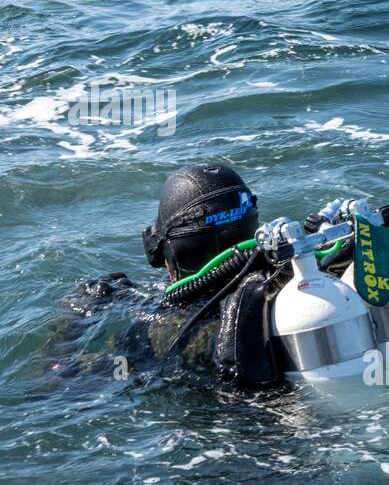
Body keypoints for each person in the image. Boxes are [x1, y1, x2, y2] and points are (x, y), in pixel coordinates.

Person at [49, 164, 283, 389]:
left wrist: (69, 325)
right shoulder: (283, 282)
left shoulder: (162, 334)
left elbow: (55, 385)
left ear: (170, 254)